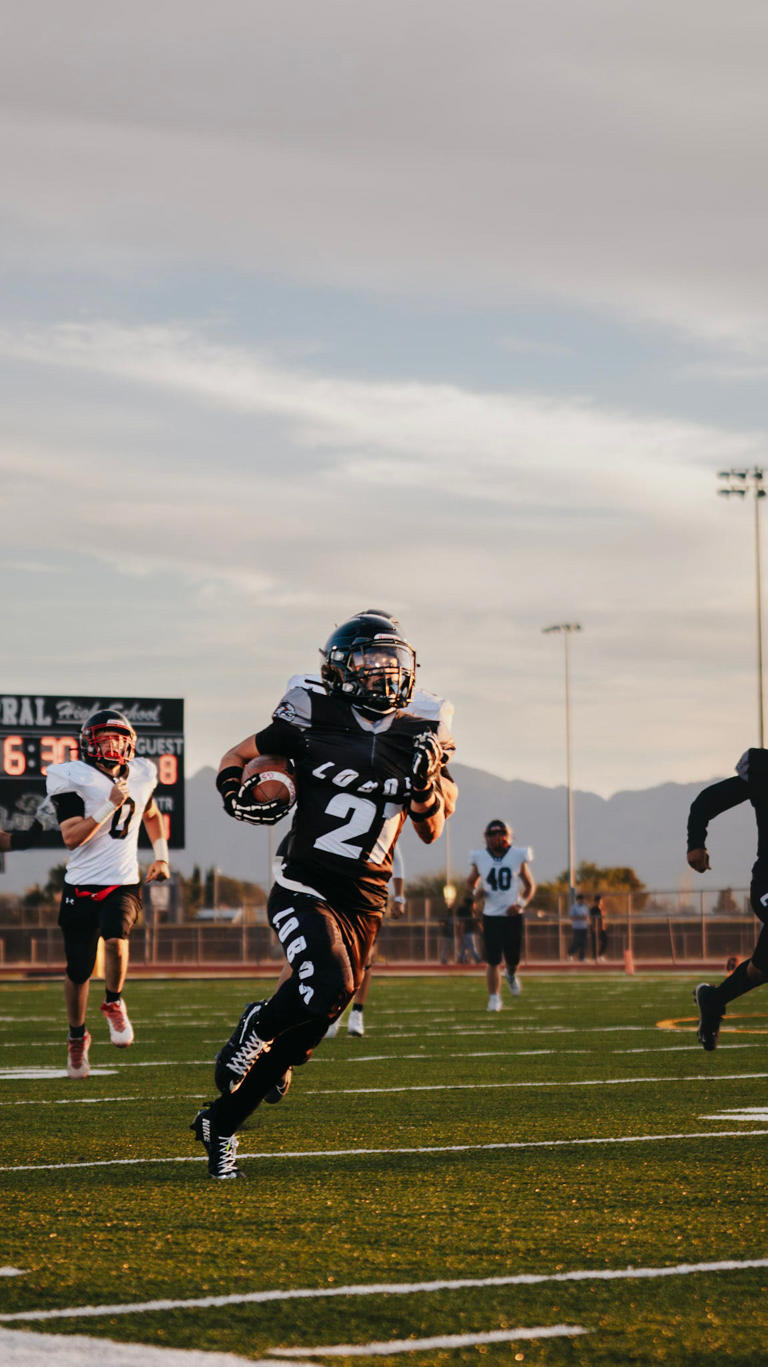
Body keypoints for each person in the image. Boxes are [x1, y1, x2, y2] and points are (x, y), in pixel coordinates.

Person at [193, 610, 457, 1178]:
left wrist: (424, 784)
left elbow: (433, 829)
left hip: (367, 899)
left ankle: (221, 1123)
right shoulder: (311, 713)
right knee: (330, 984)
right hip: (305, 883)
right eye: (370, 665)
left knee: (316, 1024)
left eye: (393, 664)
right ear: (340, 671)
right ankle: (257, 1027)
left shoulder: (425, 729)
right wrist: (234, 793)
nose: (384, 677)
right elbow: (237, 757)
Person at [44, 709, 169, 1079]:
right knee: (78, 971)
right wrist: (108, 804)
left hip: (123, 880)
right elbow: (71, 837)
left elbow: (151, 813)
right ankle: (77, 1035)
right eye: (105, 739)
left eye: (120, 739)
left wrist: (161, 857)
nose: (114, 746)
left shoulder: (143, 772)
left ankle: (114, 1001)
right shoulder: (70, 776)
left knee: (117, 938)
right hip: (82, 883)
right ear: (88, 744)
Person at [687, 747, 768, 1050]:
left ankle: (713, 1000)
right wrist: (696, 843)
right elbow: (708, 800)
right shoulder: (763, 771)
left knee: (761, 970)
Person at [326, 843, 406, 1038]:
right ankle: (336, 1012)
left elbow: (397, 860)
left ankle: (357, 1012)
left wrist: (399, 897)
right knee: (339, 955)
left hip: (372, 896)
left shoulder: (384, 825)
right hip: (341, 894)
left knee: (365, 958)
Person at [467, 819, 535, 1011]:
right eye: (492, 834)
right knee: (493, 960)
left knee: (513, 959)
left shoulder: (517, 855)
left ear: (508, 836)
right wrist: (475, 893)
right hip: (490, 915)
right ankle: (494, 998)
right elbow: (470, 882)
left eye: (500, 834)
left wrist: (520, 904)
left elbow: (530, 887)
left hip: (512, 915)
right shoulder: (480, 857)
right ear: (486, 838)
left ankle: (511, 975)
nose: (497, 838)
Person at [456, 893, 482, 964]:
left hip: (468, 932)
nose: (474, 905)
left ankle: (460, 958)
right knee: (471, 946)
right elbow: (462, 923)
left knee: (464, 947)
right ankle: (477, 958)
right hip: (467, 932)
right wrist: (461, 932)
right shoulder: (466, 912)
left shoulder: (471, 912)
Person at [567, 892, 589, 961]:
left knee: (584, 943)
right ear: (578, 900)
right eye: (580, 900)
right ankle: (570, 954)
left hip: (584, 927)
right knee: (576, 942)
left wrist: (585, 918)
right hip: (576, 927)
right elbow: (571, 917)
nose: (582, 901)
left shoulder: (585, 907)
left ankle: (582, 957)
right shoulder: (574, 907)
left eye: (582, 900)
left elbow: (587, 917)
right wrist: (580, 917)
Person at [589, 893, 608, 961]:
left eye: (601, 901)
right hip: (595, 927)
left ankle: (600, 954)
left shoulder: (602, 908)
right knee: (595, 943)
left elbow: (604, 918)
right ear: (596, 901)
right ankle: (595, 957)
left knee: (605, 941)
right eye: (600, 901)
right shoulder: (593, 909)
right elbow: (592, 919)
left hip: (602, 928)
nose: (601, 902)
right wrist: (594, 927)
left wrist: (604, 925)